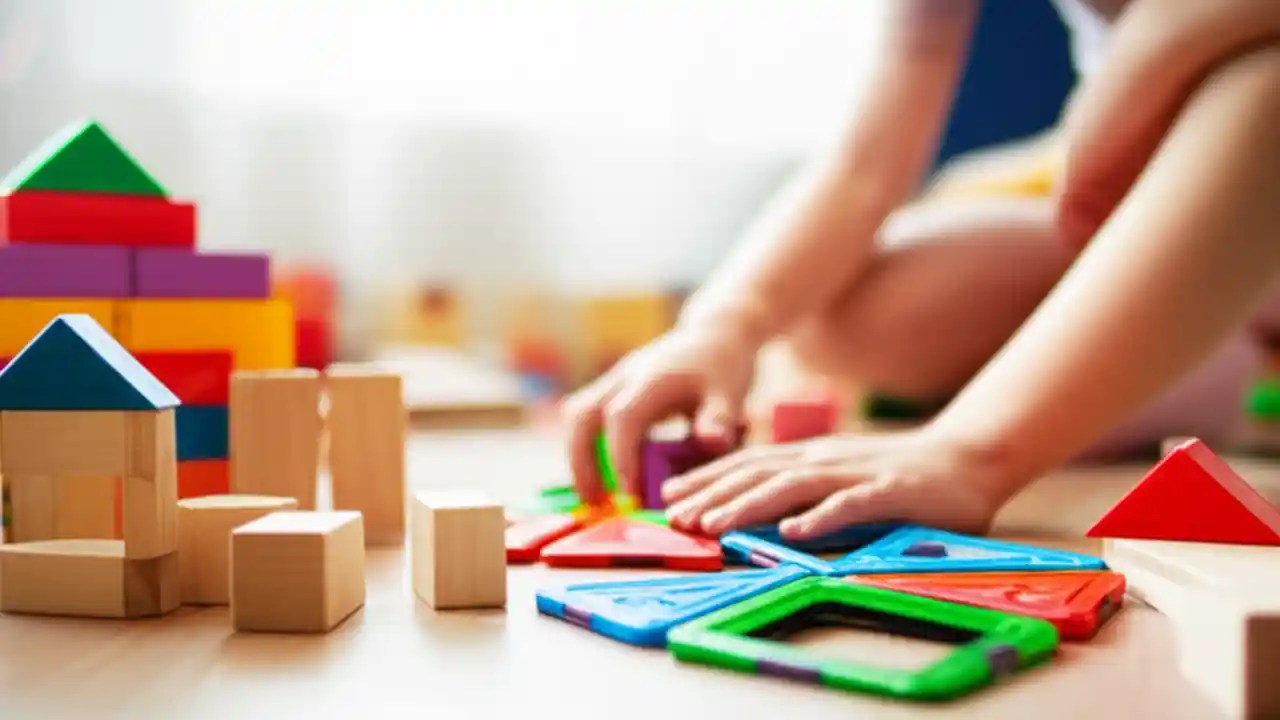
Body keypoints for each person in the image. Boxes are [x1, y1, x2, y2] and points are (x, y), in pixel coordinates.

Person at [563, 0, 1280, 542]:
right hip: (1145, 218)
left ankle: (1050, 413)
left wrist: (966, 453)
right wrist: (725, 326)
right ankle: (1205, 355)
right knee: (854, 321)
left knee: (1266, 79)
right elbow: (863, 168)